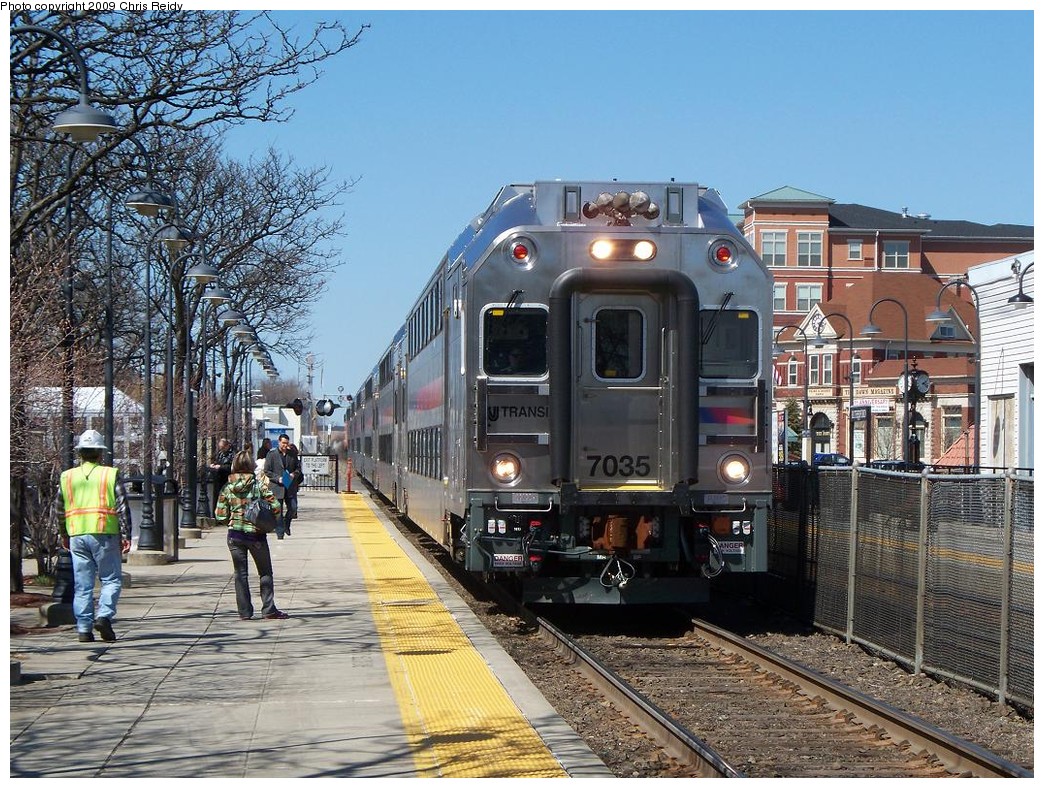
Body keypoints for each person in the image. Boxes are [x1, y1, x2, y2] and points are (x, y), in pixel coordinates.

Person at [55, 430, 132, 643]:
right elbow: (122, 506)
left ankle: (83, 628)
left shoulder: (67, 476)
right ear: (100, 454)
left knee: (83, 583)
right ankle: (104, 616)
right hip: (104, 532)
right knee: (111, 579)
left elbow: (59, 508)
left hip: (77, 533)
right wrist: (126, 534)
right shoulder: (110, 474)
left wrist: (63, 533)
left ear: (80, 454)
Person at [215, 449, 289, 620]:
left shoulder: (227, 488)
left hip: (235, 536)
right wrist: (269, 519)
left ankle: (245, 612)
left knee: (240, 574)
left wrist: (233, 519)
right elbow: (276, 506)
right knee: (265, 572)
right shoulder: (259, 486)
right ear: (251, 465)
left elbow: (220, 515)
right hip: (255, 536)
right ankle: (268, 609)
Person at [264, 434, 301, 539]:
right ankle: (280, 533)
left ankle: (287, 523)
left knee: (293, 508)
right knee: (278, 511)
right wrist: (277, 478)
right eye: (283, 443)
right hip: (277, 486)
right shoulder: (272, 454)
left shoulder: (292, 454)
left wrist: (294, 474)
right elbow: (267, 470)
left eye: (287, 443)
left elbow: (298, 468)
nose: (285, 445)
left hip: (289, 485)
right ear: (279, 442)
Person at [208, 438, 234, 517]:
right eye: (220, 448)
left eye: (222, 448)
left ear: (227, 446)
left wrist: (221, 467)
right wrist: (214, 465)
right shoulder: (220, 454)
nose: (221, 450)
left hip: (227, 478)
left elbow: (232, 467)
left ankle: (226, 514)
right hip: (219, 478)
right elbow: (218, 461)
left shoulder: (232, 454)